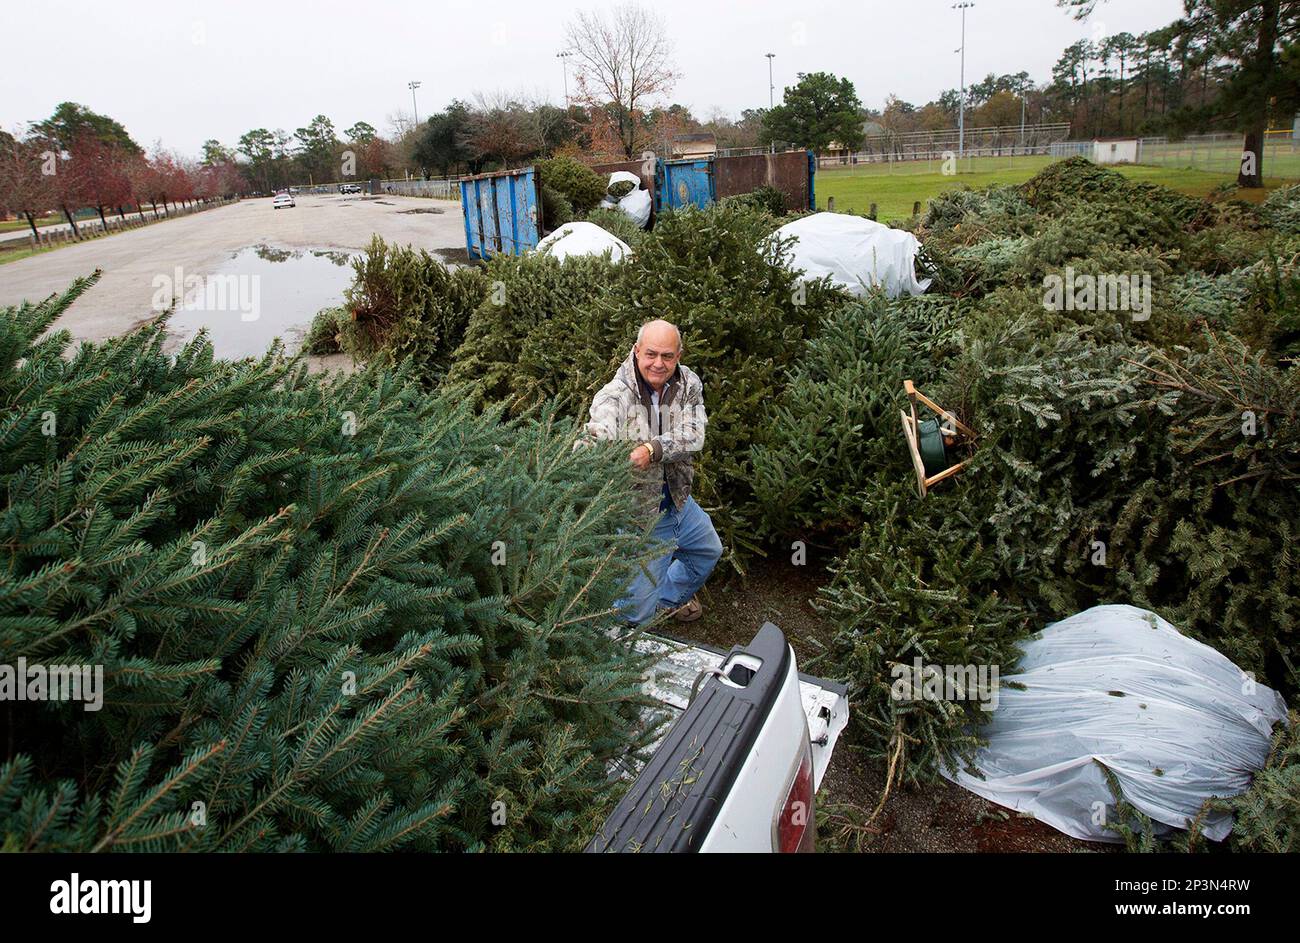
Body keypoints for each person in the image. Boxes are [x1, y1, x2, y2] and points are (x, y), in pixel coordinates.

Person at [578, 319, 723, 625]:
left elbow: (693, 433)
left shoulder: (688, 384)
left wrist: (650, 450)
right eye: (651, 354)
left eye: (667, 356)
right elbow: (596, 433)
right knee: (634, 614)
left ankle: (666, 600)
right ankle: (629, 632)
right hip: (642, 518)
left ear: (678, 356)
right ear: (636, 351)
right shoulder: (614, 396)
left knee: (707, 551)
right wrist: (591, 452)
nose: (659, 363)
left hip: (681, 503)